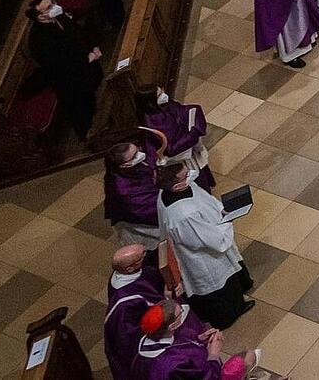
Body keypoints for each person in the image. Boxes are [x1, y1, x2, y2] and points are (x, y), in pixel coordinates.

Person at [155, 162, 251, 329]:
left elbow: (205, 201)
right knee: (220, 287)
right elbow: (210, 240)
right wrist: (227, 221)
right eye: (186, 175)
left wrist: (220, 210)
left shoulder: (176, 188)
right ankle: (229, 316)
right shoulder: (183, 215)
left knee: (232, 276)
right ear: (177, 186)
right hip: (205, 256)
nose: (190, 174)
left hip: (211, 231)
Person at [27, 0, 102, 138]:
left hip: (87, 69)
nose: (55, 7)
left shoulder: (60, 16)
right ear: (41, 16)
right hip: (70, 81)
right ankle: (88, 135)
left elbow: (80, 32)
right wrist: (86, 60)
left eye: (53, 3)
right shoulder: (37, 40)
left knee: (91, 98)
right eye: (49, 7)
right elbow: (58, 65)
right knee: (81, 110)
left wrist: (94, 46)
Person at [104, 245, 164, 380]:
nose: (146, 256)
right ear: (129, 268)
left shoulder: (128, 272)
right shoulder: (124, 304)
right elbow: (129, 338)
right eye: (141, 256)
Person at [139, 87, 213, 190]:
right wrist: (192, 134)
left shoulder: (166, 105)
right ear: (151, 102)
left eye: (162, 91)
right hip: (179, 158)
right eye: (159, 95)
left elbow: (181, 110)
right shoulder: (152, 121)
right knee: (192, 180)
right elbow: (170, 148)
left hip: (189, 147)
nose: (164, 95)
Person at [104, 138, 163, 249]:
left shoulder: (132, 167)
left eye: (138, 150)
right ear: (125, 165)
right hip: (140, 225)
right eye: (135, 156)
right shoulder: (124, 191)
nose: (141, 155)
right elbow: (149, 209)